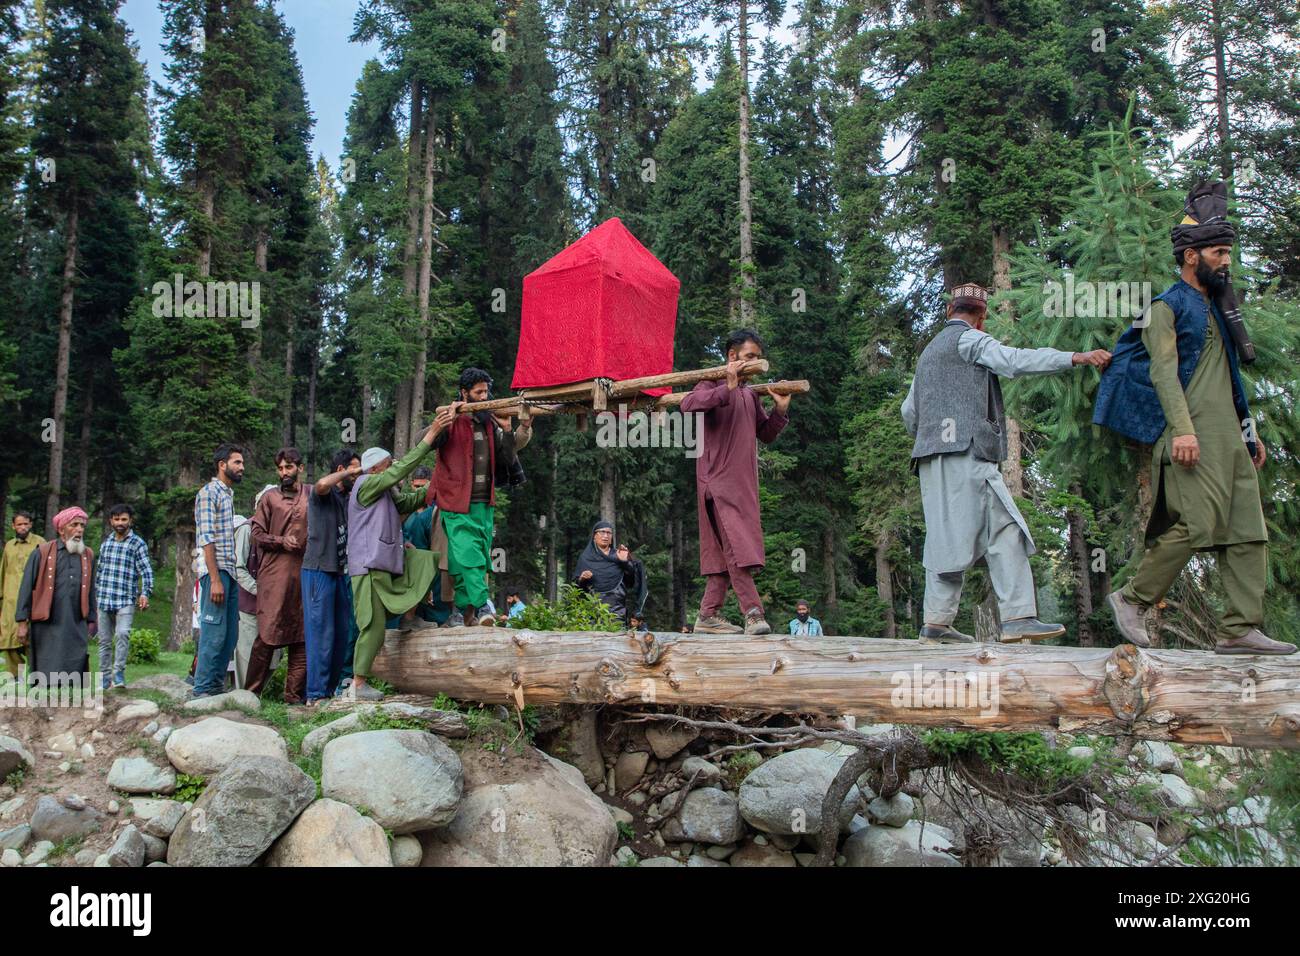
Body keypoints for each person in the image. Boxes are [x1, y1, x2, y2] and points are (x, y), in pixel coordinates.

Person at [1095, 183, 1294, 656]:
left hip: (1229, 439)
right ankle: (1132, 598)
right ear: (1191, 257)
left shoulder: (1219, 308)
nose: (1226, 261)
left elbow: (1229, 379)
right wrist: (1182, 430)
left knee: (1248, 531)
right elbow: (1164, 372)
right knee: (1198, 525)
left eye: (1228, 251)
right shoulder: (1165, 308)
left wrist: (1249, 431)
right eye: (1219, 252)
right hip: (1191, 436)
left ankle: (1239, 629)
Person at [902, 284, 1111, 643]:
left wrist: (933, 435)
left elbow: (909, 412)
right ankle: (1018, 617)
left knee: (943, 538)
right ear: (980, 318)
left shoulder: (928, 355)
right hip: (967, 452)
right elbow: (1014, 360)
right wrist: (1074, 356)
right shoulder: (970, 341)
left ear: (949, 310)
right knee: (1005, 528)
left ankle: (936, 623)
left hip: (929, 458)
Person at [680, 329, 792, 635]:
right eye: (749, 357)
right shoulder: (712, 382)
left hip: (742, 488)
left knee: (724, 552)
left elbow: (765, 434)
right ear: (732, 357)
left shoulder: (749, 394)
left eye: (757, 357)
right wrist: (725, 389)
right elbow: (688, 405)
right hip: (717, 484)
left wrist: (780, 410)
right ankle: (754, 613)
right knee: (736, 550)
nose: (755, 362)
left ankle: (707, 615)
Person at [348, 416, 447, 700]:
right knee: (371, 625)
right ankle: (357, 684)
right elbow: (401, 470)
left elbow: (412, 501)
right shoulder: (366, 484)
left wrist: (441, 474)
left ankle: (410, 617)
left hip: (384, 565)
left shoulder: (386, 493)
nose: (393, 469)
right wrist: (430, 439)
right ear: (377, 468)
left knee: (425, 561)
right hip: (367, 567)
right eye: (389, 465)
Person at [428, 367, 531, 627]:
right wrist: (442, 421)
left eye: (486, 391)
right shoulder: (452, 419)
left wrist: (508, 429)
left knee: (478, 559)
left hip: (484, 503)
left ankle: (464, 612)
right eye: (478, 392)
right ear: (464, 393)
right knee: (468, 555)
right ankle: (484, 603)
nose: (484, 396)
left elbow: (507, 456)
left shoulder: (489, 421)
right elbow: (426, 440)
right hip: (456, 502)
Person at [247, 448, 310, 703]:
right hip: (274, 575)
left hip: (304, 575)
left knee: (302, 636)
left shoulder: (311, 495)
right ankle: (250, 694)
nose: (284, 472)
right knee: (267, 635)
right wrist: (282, 540)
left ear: (300, 468)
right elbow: (256, 533)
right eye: (281, 468)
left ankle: (292, 697)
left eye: (289, 467)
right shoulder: (270, 498)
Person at [302, 448, 362, 705]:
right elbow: (320, 484)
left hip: (338, 572)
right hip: (317, 571)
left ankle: (330, 690)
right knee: (320, 633)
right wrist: (351, 471)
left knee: (341, 632)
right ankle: (315, 694)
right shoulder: (321, 496)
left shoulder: (348, 499)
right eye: (354, 470)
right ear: (341, 471)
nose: (358, 476)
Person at [13, 507, 96, 689]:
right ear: (61, 529)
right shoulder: (42, 552)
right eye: (74, 525)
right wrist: (22, 621)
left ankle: (71, 693)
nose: (80, 529)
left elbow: (91, 590)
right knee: (47, 657)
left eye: (82, 525)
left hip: (75, 619)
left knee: (75, 655)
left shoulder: (87, 554)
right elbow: (26, 587)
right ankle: (45, 692)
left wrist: (92, 620)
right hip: (47, 619)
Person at [192, 443, 245, 698]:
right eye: (237, 462)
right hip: (216, 571)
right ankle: (202, 688)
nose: (241, 467)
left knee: (230, 634)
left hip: (230, 570)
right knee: (213, 630)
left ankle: (215, 686)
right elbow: (206, 538)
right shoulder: (209, 492)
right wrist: (214, 579)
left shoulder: (227, 494)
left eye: (242, 463)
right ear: (222, 465)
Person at [92, 504, 154, 689]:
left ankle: (118, 674)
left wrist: (145, 593)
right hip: (104, 598)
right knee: (103, 640)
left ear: (130, 521)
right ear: (111, 521)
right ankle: (104, 678)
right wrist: (95, 594)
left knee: (122, 634)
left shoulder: (137, 544)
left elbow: (146, 571)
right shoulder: (106, 544)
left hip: (125, 599)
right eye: (117, 519)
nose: (120, 523)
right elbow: (100, 571)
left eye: (124, 519)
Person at [573, 521, 646, 626]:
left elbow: (631, 582)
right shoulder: (585, 558)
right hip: (593, 609)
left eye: (609, 533)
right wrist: (582, 579)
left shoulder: (618, 555)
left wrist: (625, 562)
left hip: (617, 610)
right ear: (594, 535)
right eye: (602, 532)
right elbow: (576, 588)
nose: (606, 536)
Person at [1, 511, 44, 678]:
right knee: (8, 643)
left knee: (32, 642)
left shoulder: (40, 543)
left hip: (32, 601)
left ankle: (38, 678)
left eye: (26, 523)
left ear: (31, 524)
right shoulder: (9, 546)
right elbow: (3, 572)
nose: (23, 527)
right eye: (19, 524)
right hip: (10, 602)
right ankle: (15, 678)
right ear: (13, 526)